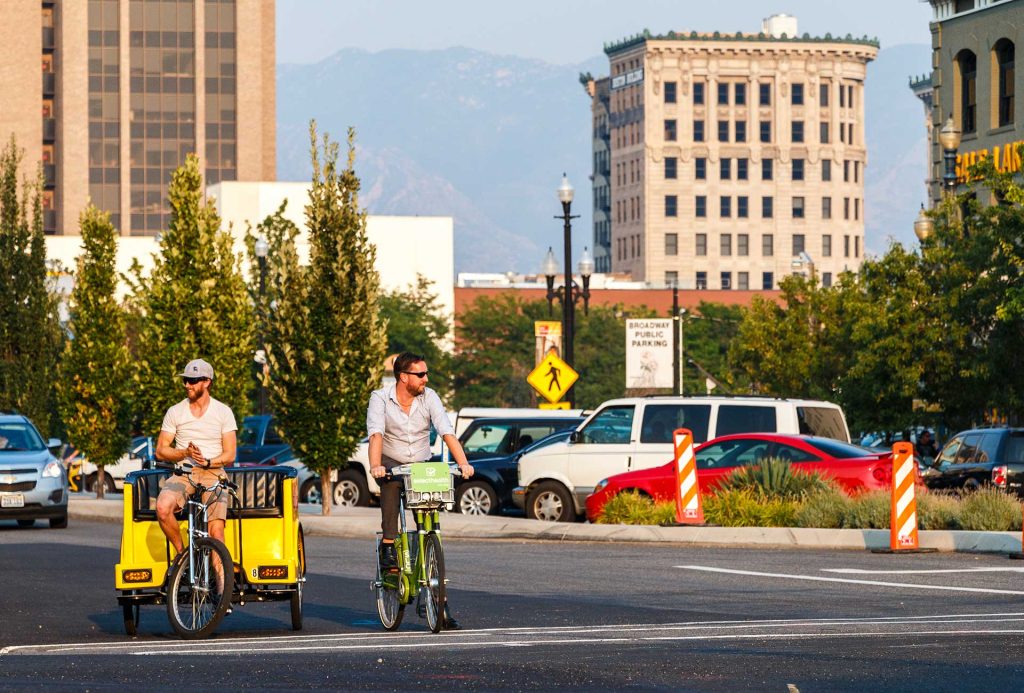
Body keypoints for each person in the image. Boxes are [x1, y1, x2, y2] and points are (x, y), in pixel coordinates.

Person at [367, 351, 473, 630]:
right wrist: (376, 465)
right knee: (390, 490)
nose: (426, 379)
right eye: (420, 374)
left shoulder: (430, 397)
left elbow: (446, 431)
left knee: (430, 522)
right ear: (404, 377)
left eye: (426, 374)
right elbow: (376, 433)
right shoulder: (380, 398)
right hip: (391, 462)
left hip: (421, 463)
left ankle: (439, 601)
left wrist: (463, 463)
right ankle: (388, 546)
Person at [155, 359, 237, 599]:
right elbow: (161, 450)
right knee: (162, 507)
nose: (187, 385)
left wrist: (209, 462)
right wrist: (185, 453)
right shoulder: (175, 411)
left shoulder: (223, 412)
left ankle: (222, 592)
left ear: (207, 382)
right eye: (185, 380)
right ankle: (183, 557)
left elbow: (230, 455)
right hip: (184, 472)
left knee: (216, 531)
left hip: (213, 471)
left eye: (192, 381)